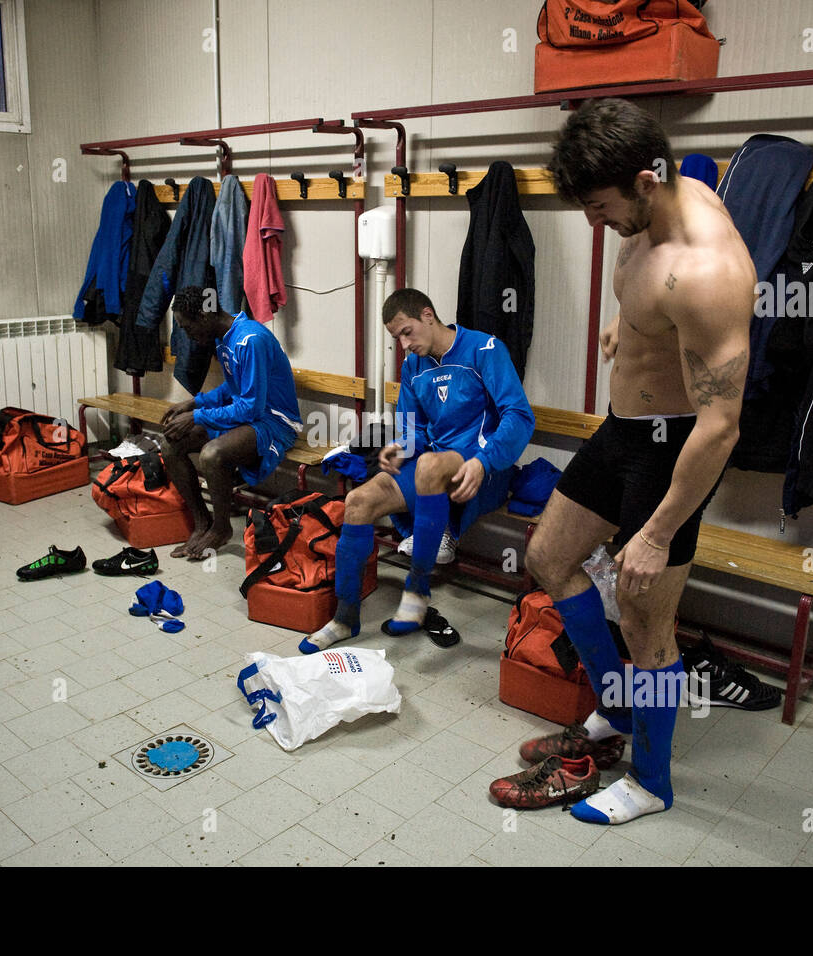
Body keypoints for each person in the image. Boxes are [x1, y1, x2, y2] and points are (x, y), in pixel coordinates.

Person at [519, 98, 756, 824]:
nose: (595, 223)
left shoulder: (708, 270)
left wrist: (654, 533)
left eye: (599, 208)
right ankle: (618, 710)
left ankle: (652, 781)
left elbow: (721, 425)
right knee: (549, 557)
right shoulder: (658, 205)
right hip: (622, 430)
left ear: (647, 180)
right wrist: (634, 315)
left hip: (674, 448)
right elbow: (652, 279)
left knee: (646, 622)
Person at [301, 288, 534, 654]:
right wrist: (401, 446)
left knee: (427, 465)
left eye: (407, 331)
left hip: (483, 464)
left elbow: (519, 417)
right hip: (433, 466)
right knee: (358, 501)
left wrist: (483, 461)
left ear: (428, 315)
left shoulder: (485, 349)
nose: (405, 344)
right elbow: (414, 428)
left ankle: (418, 587)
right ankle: (345, 617)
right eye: (397, 338)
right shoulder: (413, 367)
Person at [160, 286, 302, 560]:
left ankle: (221, 528)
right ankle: (202, 522)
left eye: (187, 327)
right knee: (170, 443)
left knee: (212, 454)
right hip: (249, 416)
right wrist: (195, 403)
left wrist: (197, 416)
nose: (187, 335)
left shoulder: (251, 340)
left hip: (276, 422)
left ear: (203, 316)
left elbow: (250, 407)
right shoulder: (225, 337)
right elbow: (233, 386)